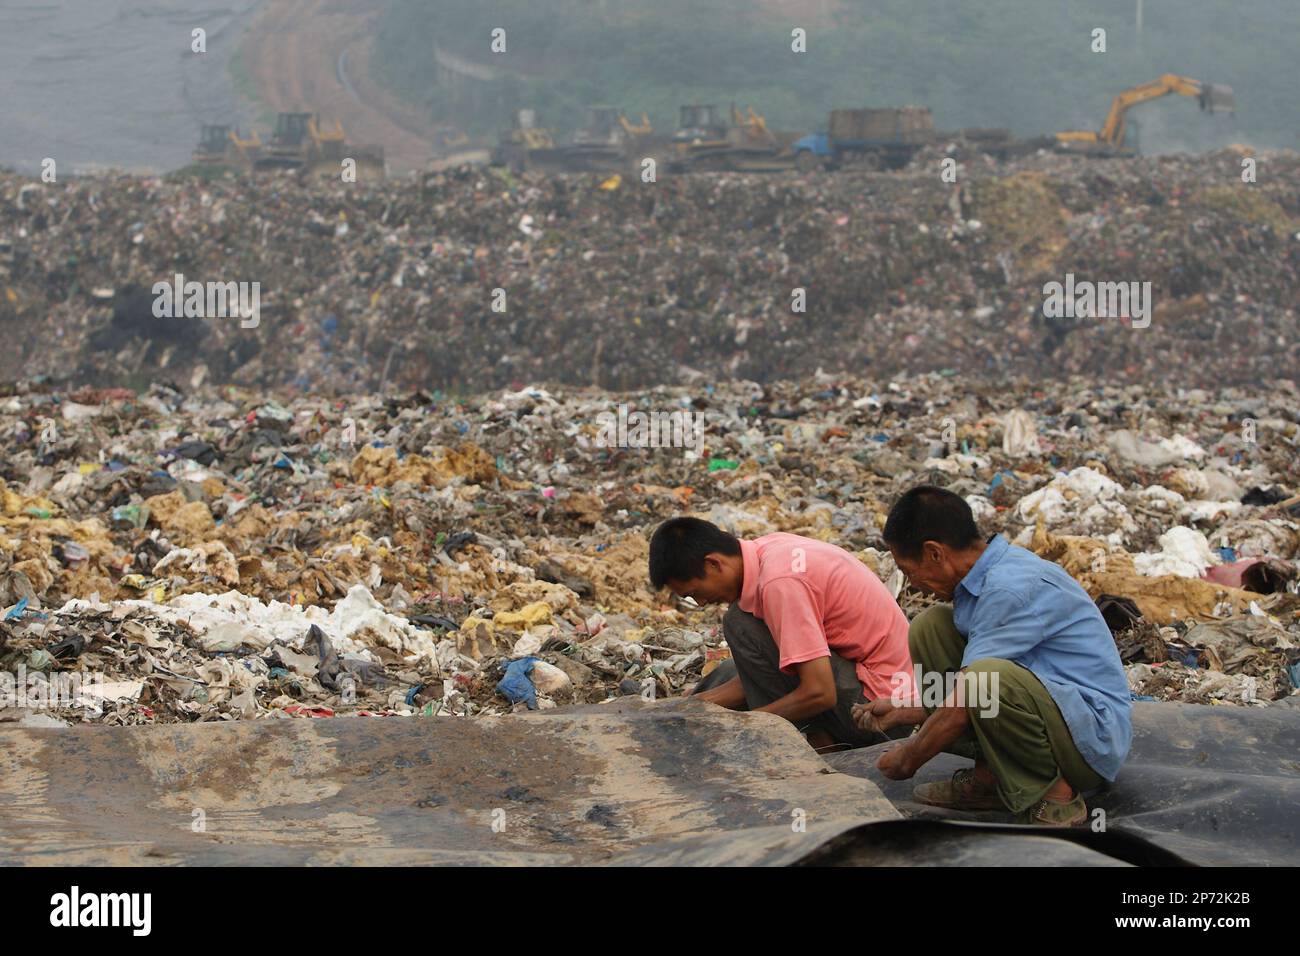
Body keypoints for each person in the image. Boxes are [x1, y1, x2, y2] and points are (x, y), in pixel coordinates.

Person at [861, 485, 1132, 826]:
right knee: (931, 627)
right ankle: (990, 779)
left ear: (934, 553)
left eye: (908, 569)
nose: (912, 584)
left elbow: (970, 695)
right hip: (1050, 712)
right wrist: (902, 712)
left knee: (984, 678)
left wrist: (909, 758)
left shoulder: (1008, 588)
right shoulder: (981, 580)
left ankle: (1057, 796)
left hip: (1088, 743)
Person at [648, 516, 915, 751]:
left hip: (879, 713)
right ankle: (808, 731)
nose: (702, 603)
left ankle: (817, 742)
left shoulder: (779, 582)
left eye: (695, 592)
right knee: (729, 670)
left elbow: (820, 692)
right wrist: (697, 704)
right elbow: (759, 674)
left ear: (714, 564)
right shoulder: (768, 550)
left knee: (740, 624)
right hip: (874, 685)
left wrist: (751, 724)